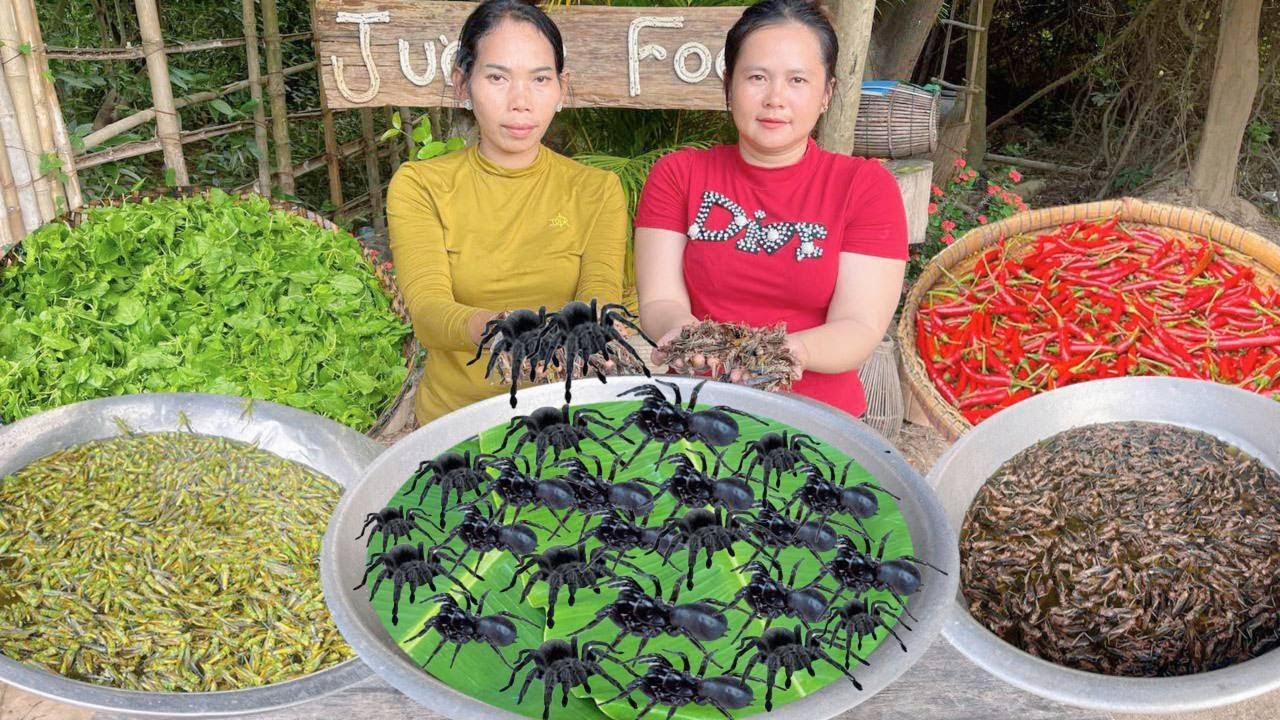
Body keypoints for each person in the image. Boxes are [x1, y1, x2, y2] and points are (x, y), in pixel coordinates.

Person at [633, 0, 908, 418]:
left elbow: (860, 326)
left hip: (815, 417)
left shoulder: (864, 186)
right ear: (729, 86)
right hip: (694, 400)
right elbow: (659, 301)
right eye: (757, 77)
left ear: (827, 93)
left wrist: (779, 354)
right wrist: (694, 340)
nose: (775, 98)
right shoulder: (679, 174)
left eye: (797, 80)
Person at [387, 0, 627, 424]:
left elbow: (600, 299)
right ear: (464, 83)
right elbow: (427, 312)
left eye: (540, 79)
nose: (521, 102)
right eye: (497, 77)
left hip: (568, 415)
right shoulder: (420, 185)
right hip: (457, 422)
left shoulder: (596, 190)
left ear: (561, 87)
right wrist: (502, 331)